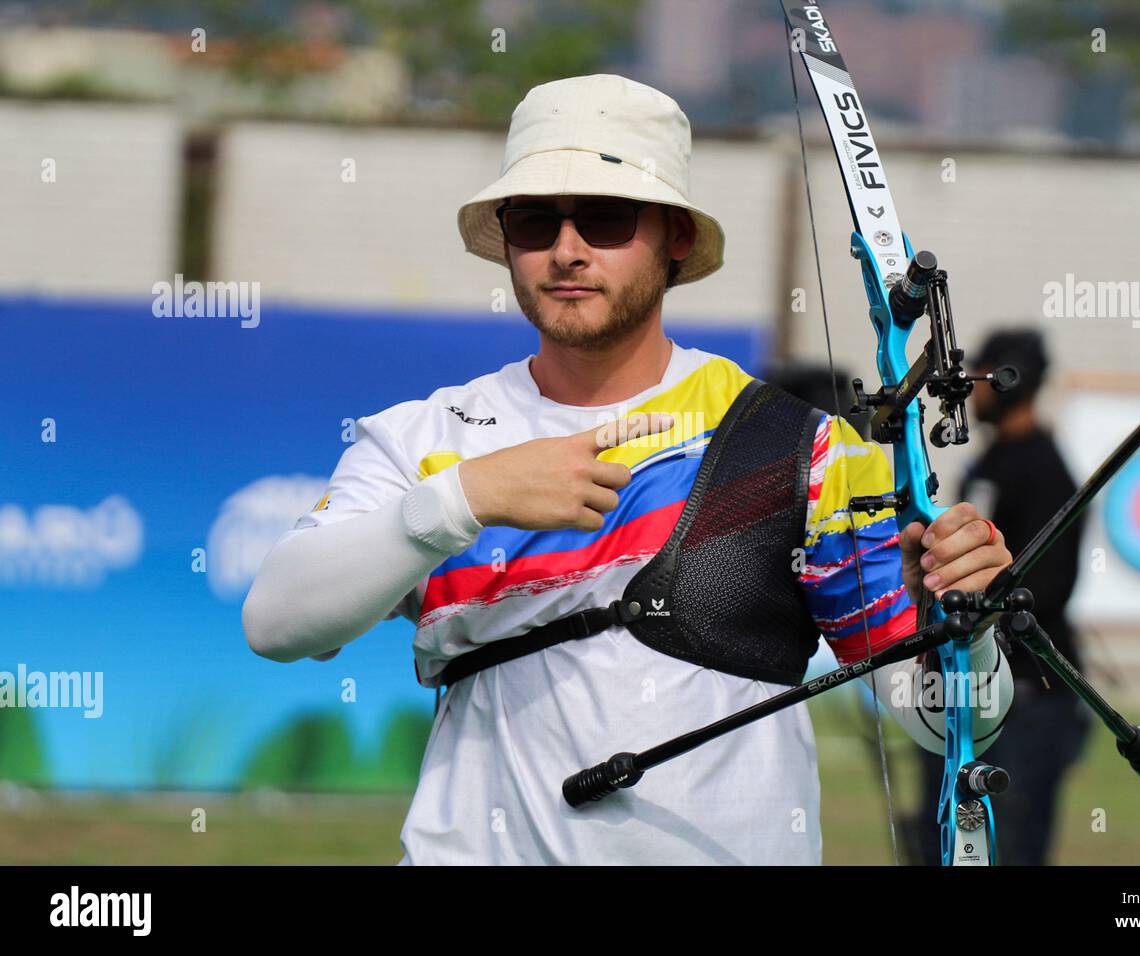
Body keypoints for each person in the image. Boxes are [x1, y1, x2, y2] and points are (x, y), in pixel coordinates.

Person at [242, 74, 1014, 865]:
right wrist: (470, 497)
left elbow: (939, 722)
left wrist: (971, 630)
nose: (566, 250)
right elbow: (276, 624)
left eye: (606, 218)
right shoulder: (428, 441)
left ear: (676, 235)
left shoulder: (802, 450)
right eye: (535, 220)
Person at [910, 329, 1091, 866]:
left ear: (1011, 378)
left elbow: (1046, 589)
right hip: (975, 688)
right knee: (942, 840)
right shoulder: (993, 463)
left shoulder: (1044, 471)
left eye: (982, 376)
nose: (969, 388)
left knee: (1008, 848)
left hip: (1029, 696)